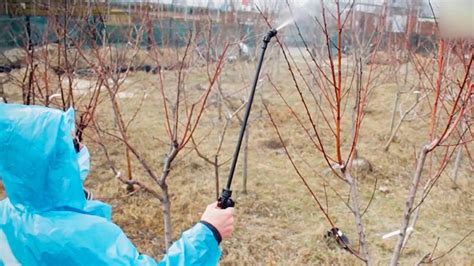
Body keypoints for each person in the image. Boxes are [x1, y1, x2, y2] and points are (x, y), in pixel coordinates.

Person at [0, 103, 234, 265]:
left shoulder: (7, 214)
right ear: (48, 164)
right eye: (71, 145)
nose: (81, 148)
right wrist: (208, 232)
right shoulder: (79, 237)